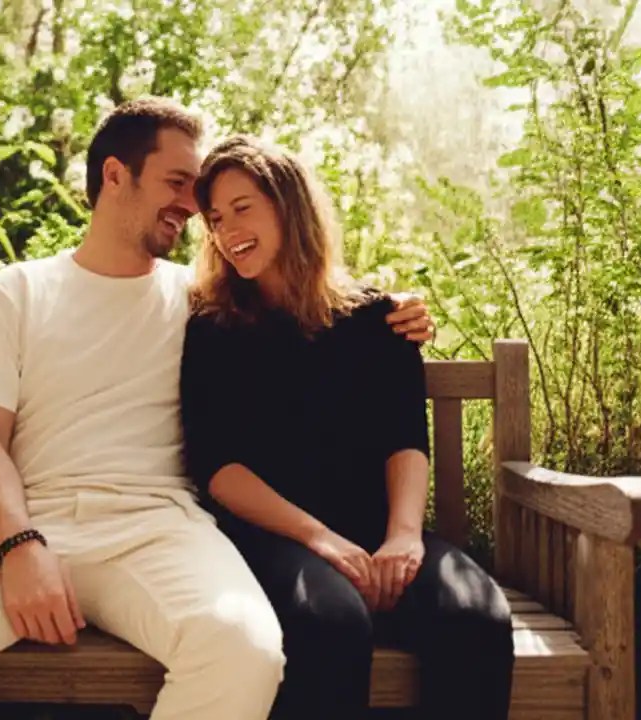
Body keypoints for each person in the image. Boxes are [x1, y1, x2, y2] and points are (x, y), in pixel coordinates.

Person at [0, 98, 436, 719]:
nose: (193, 206)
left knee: (242, 649)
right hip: (17, 525)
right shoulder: (15, 292)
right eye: (177, 183)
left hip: (157, 530)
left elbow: (306, 307)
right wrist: (19, 544)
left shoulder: (204, 303)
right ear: (115, 175)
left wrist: (396, 310)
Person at [178, 135, 513, 720]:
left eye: (242, 207)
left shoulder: (378, 319)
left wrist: (403, 536)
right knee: (329, 621)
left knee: (474, 616)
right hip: (274, 539)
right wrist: (320, 539)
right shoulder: (214, 330)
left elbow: (404, 437)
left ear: (288, 206)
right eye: (215, 219)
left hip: (378, 530)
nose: (227, 230)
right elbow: (219, 469)